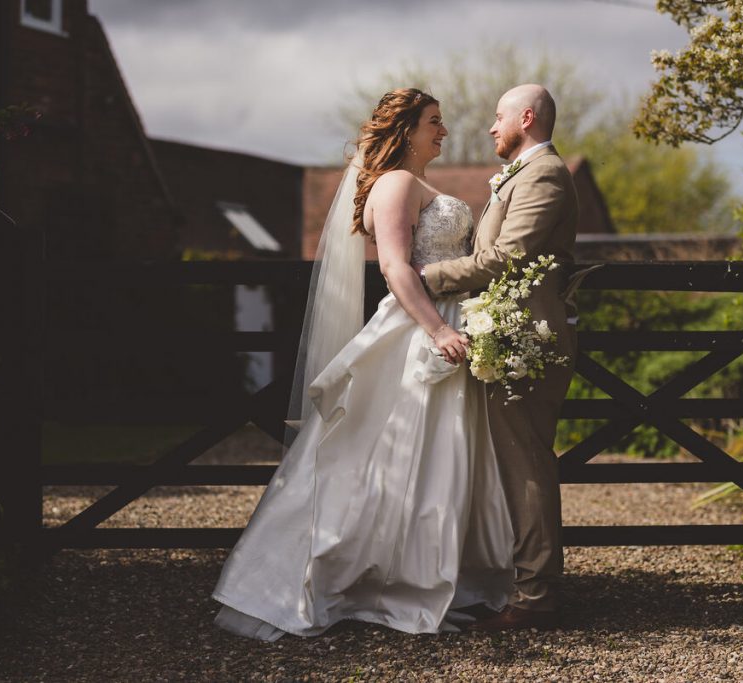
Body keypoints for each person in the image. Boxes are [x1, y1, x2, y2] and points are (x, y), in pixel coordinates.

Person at [211, 88, 515, 641]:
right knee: (386, 456)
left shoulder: (416, 185)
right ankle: (371, 579)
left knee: (436, 459)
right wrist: (440, 328)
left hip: (443, 324)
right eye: (434, 123)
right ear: (405, 130)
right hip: (418, 330)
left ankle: (430, 573)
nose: (443, 131)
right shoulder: (397, 184)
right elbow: (397, 269)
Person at [417, 84, 580, 631]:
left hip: (526, 340)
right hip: (505, 336)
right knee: (511, 463)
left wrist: (423, 279)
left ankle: (536, 599)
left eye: (499, 116)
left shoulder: (544, 174)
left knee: (527, 464)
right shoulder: (522, 173)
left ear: (526, 118)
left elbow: (508, 258)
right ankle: (513, 582)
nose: (490, 126)